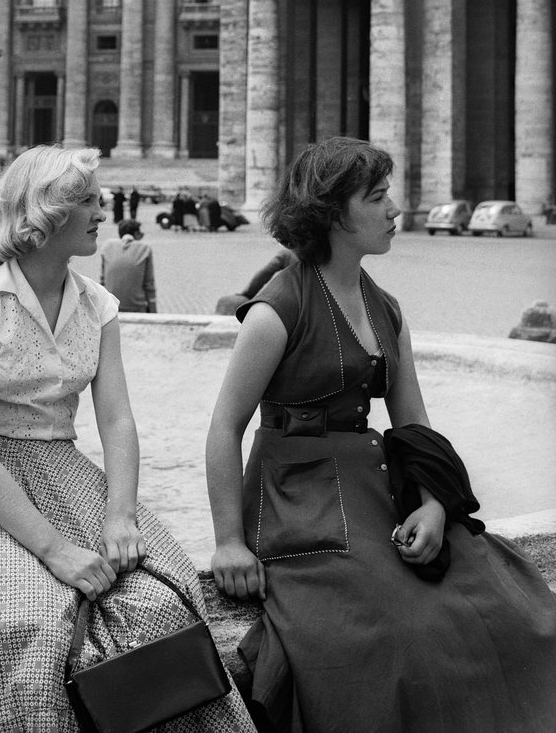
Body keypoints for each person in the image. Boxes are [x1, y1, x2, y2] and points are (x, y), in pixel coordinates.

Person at [0, 146, 253, 733]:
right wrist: (57, 551)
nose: (102, 211)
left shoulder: (97, 305)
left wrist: (121, 514)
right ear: (44, 214)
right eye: (86, 201)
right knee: (25, 623)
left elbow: (118, 421)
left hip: (67, 473)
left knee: (161, 601)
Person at [205, 136, 556, 733]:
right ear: (334, 212)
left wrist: (436, 505)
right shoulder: (277, 309)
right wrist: (229, 543)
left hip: (376, 489)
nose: (395, 209)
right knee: (396, 634)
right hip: (299, 502)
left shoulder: (387, 309)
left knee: (505, 603)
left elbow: (414, 424)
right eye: (378, 197)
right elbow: (223, 428)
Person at [100, 218, 158, 313]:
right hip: (136, 306)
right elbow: (149, 283)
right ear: (135, 234)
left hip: (111, 305)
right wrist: (153, 311)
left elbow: (103, 280)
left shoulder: (107, 246)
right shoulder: (144, 249)